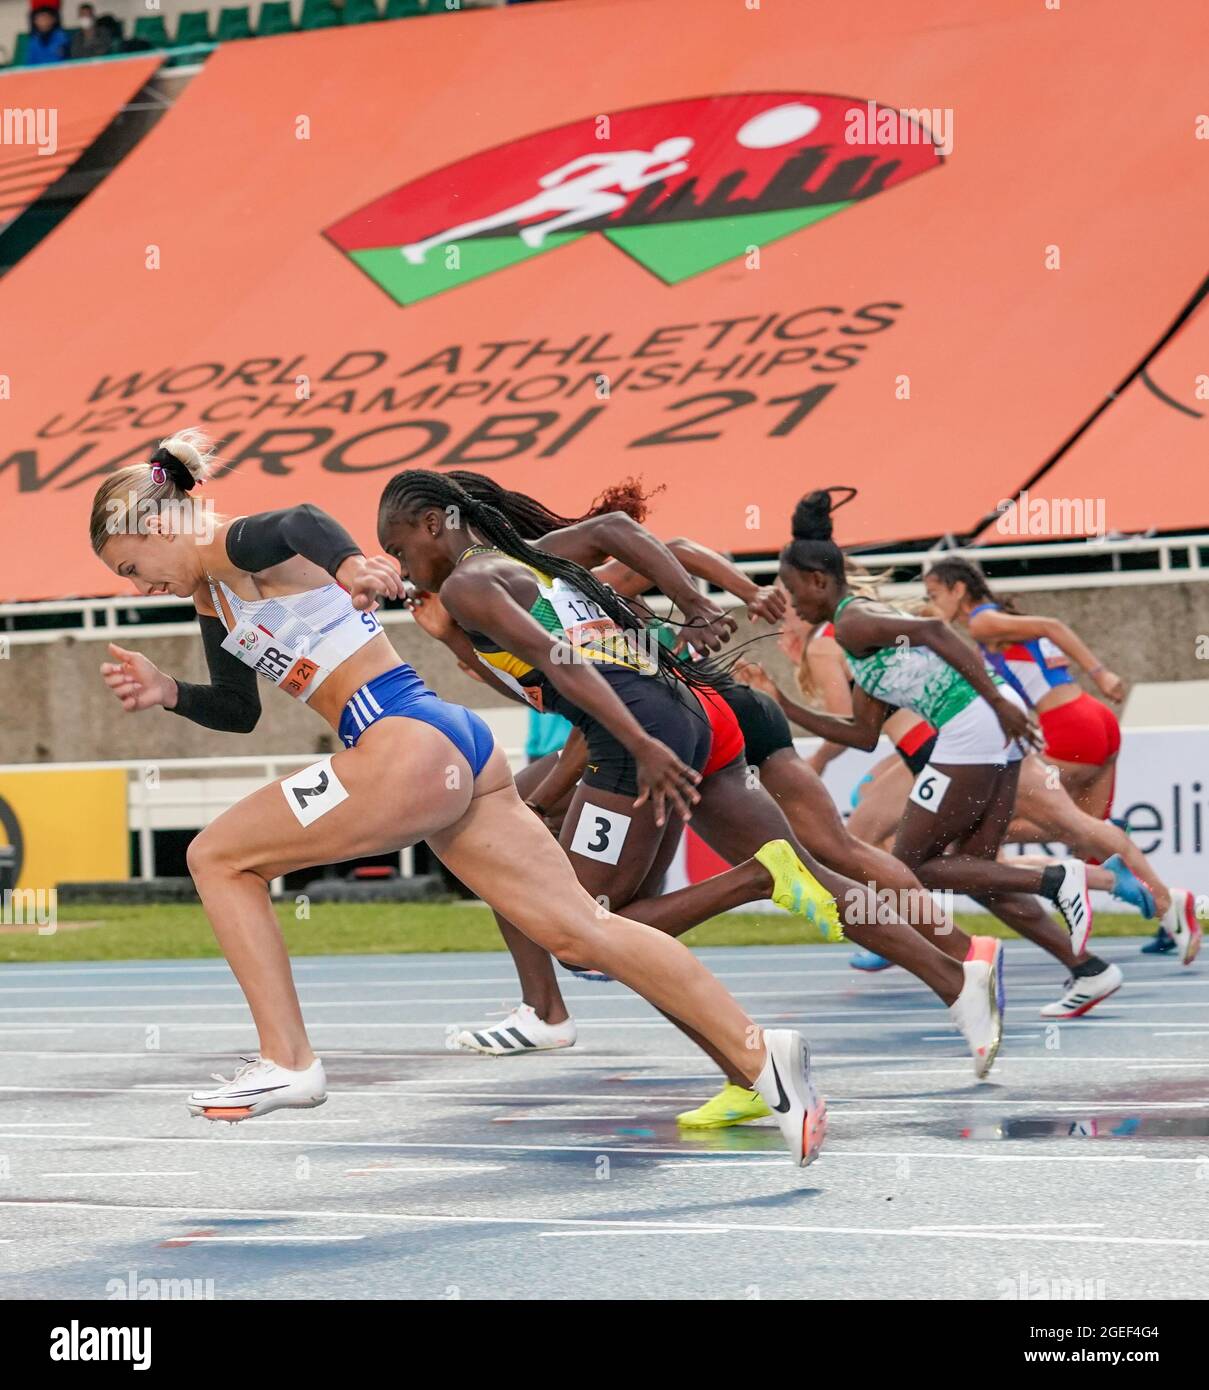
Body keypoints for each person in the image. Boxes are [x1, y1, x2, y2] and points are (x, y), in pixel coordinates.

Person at [89, 430, 825, 1166]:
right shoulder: (210, 593)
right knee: (579, 931)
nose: (135, 584)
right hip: (451, 747)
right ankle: (762, 1056)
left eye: (130, 566)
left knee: (215, 858)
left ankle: (287, 1059)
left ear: (155, 525)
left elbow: (299, 520)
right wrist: (167, 691)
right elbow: (235, 707)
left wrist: (352, 564)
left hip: (396, 739)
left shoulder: (228, 546)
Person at [386, 471, 1004, 1113]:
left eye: (398, 549)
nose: (400, 566)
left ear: (435, 523)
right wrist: (698, 604)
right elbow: (575, 627)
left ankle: (562, 1003)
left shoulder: (480, 580)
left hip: (646, 726)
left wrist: (703, 612)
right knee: (697, 912)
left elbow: (575, 670)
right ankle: (954, 979)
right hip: (690, 709)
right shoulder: (527, 564)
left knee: (591, 924)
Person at [771, 487, 1111, 959]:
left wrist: (995, 701)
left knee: (910, 865)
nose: (788, 601)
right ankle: (1089, 969)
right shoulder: (857, 634)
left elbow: (933, 631)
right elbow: (863, 735)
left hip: (975, 722)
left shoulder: (853, 623)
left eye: (790, 589)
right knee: (976, 871)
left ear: (818, 581)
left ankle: (1056, 879)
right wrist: (781, 703)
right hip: (990, 720)